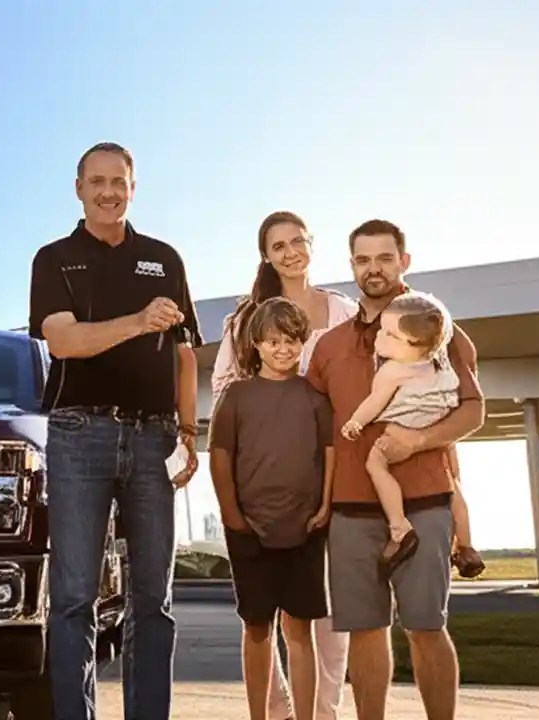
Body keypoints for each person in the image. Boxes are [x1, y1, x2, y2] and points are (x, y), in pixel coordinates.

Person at [28, 141, 203, 720]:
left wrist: (188, 432)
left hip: (156, 439)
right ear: (78, 188)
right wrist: (137, 321)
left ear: (134, 187)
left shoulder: (164, 258)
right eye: (97, 181)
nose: (108, 191)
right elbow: (64, 341)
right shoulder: (53, 259)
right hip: (80, 435)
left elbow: (183, 357)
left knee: (154, 599)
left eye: (119, 181)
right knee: (75, 597)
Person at [305, 219, 484, 720]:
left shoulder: (440, 330)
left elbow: (473, 410)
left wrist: (419, 442)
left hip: (425, 500)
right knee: (364, 630)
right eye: (363, 260)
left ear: (404, 261)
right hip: (351, 508)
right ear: (352, 267)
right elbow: (320, 433)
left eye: (384, 258)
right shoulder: (327, 346)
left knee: (427, 626)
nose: (374, 269)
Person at [211, 210, 352, 720]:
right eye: (278, 245)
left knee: (324, 613)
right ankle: (274, 710)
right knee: (260, 621)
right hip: (262, 483)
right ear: (265, 255)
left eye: (298, 241)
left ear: (311, 244)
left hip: (324, 477)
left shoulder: (341, 309)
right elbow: (224, 394)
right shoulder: (245, 320)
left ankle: (324, 710)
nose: (290, 252)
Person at [340, 290, 485, 579]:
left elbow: (374, 403)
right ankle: (466, 546)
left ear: (414, 345)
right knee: (453, 488)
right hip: (436, 423)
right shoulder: (438, 364)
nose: (379, 338)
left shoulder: (393, 371)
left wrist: (355, 423)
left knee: (375, 465)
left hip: (401, 429)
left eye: (389, 334)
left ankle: (399, 527)